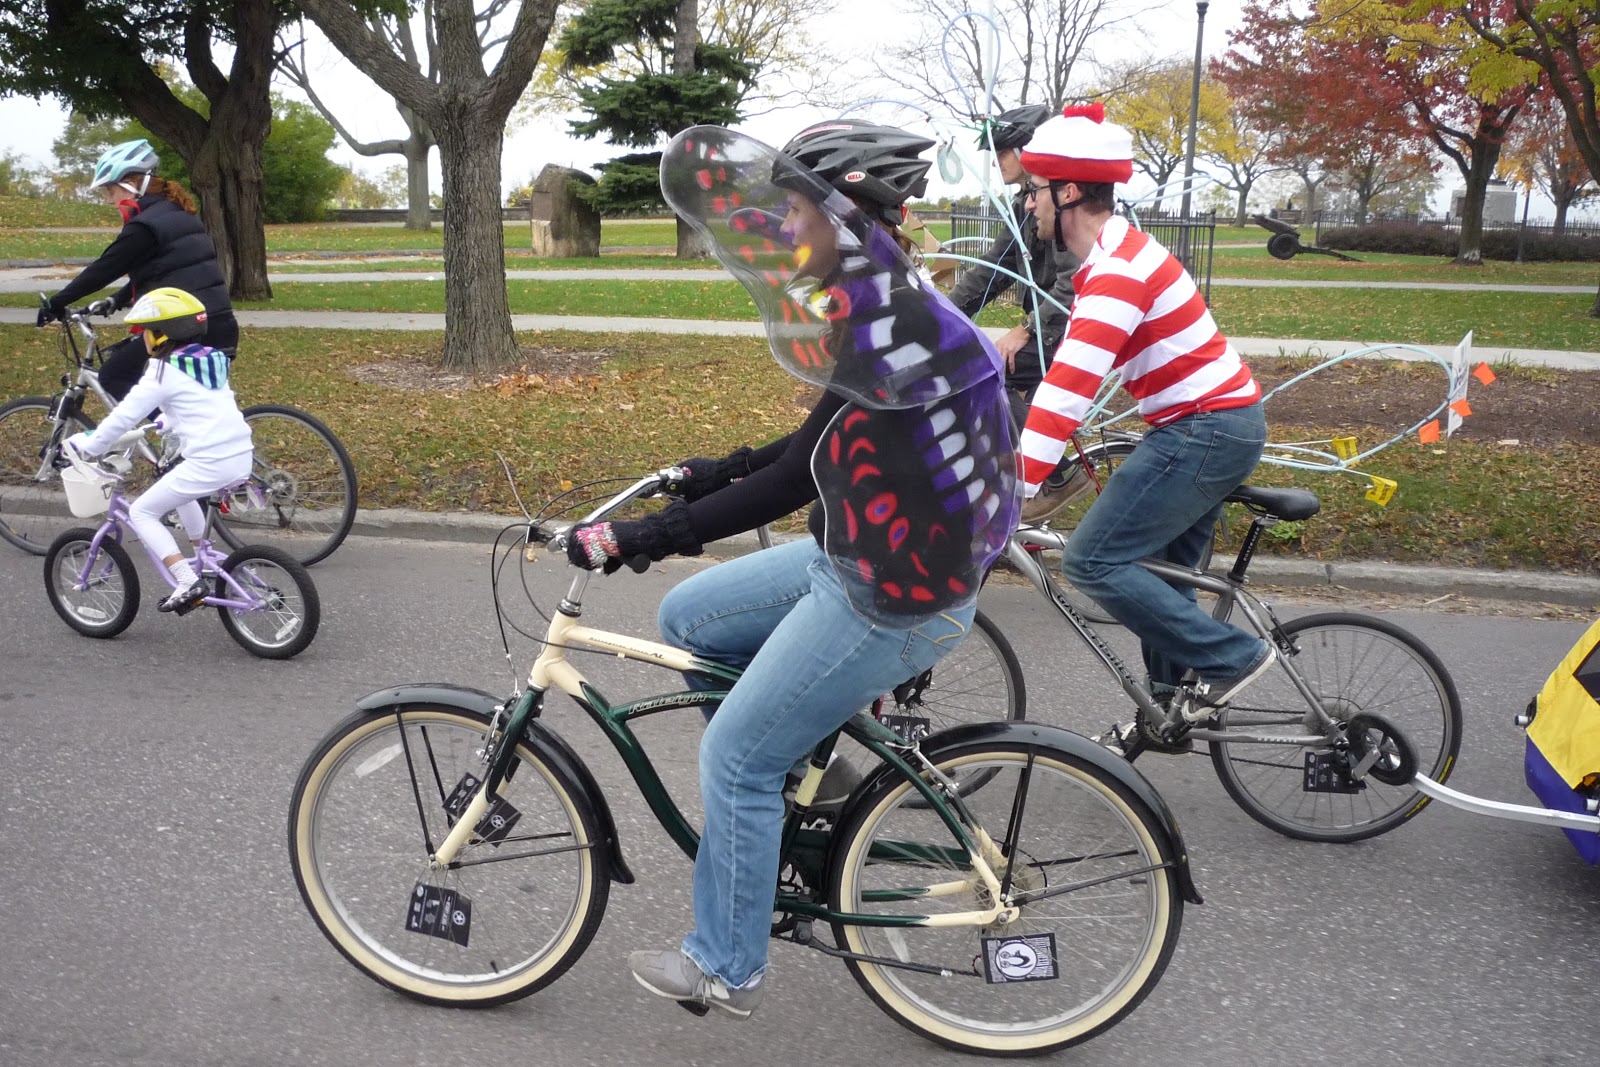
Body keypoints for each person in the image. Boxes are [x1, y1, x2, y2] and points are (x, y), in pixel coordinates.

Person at [565, 119, 1019, 1018]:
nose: (786, 228)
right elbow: (809, 445)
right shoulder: (881, 304)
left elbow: (787, 480)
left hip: (895, 594)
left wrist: (642, 535)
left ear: (847, 214)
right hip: (855, 555)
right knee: (690, 620)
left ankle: (725, 966)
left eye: (800, 210)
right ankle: (804, 779)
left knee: (732, 756)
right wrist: (709, 471)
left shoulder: (892, 321)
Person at [1015, 102, 1272, 725]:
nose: (1028, 204)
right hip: (1210, 424)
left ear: (1067, 191)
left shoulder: (1119, 272)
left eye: (1034, 191)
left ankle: (1234, 657)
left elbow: (1069, 387)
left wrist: (1016, 483)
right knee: (1165, 576)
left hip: (1205, 430)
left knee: (1091, 561)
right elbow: (1073, 369)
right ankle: (1170, 706)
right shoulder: (1113, 258)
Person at [64, 287, 252, 613]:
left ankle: (185, 580)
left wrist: (92, 445)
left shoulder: (162, 371)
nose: (144, 339)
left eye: (147, 332)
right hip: (239, 455)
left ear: (164, 334)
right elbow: (197, 404)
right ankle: (201, 555)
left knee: (142, 512)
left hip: (210, 462)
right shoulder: (208, 360)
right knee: (177, 480)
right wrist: (165, 421)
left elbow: (124, 416)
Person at [37, 140, 237, 402]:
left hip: (187, 328)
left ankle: (172, 431)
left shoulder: (144, 226)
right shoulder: (176, 210)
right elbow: (161, 271)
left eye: (110, 191)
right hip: (217, 322)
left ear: (131, 185)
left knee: (114, 375)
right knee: (176, 395)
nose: (109, 200)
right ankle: (185, 432)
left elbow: (105, 268)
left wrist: (56, 303)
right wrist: (116, 300)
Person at [948, 104, 1082, 430]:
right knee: (1029, 419)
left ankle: (1063, 477)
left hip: (1064, 334)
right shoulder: (1023, 203)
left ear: (1027, 150)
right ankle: (1043, 473)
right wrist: (942, 311)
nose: (996, 161)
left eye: (1003, 151)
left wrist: (1026, 329)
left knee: (985, 374)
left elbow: (1075, 282)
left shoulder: (1063, 202)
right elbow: (992, 269)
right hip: (1048, 334)